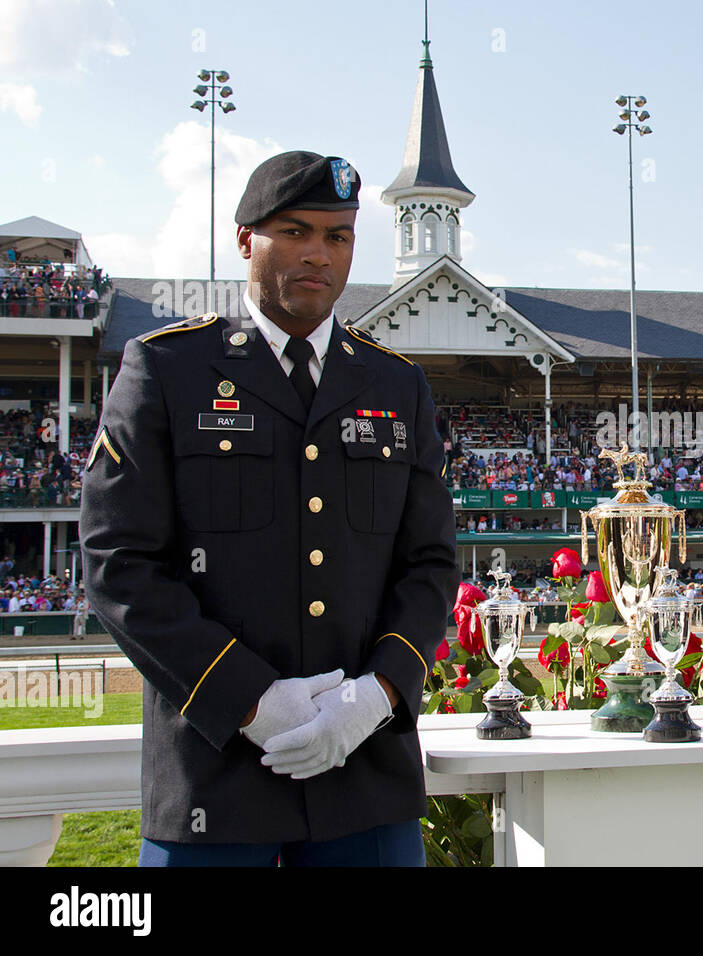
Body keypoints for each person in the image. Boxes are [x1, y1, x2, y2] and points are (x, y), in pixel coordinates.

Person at [81, 151, 459, 866]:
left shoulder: (397, 382)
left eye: (338, 236)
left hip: (365, 778)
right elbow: (119, 563)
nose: (318, 253)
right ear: (245, 238)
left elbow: (431, 563)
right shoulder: (168, 369)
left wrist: (376, 696)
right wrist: (250, 700)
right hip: (214, 781)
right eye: (295, 231)